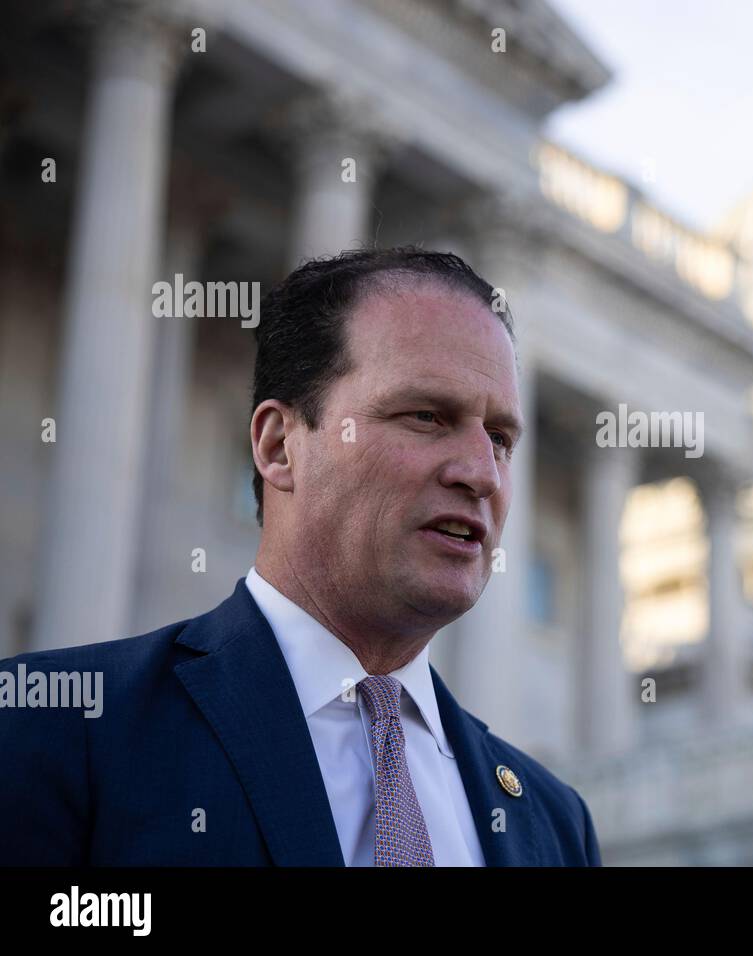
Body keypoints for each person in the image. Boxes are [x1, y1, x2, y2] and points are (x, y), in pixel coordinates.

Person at [0, 247, 601, 866]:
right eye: (425, 416)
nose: (482, 474)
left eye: (499, 438)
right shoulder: (49, 726)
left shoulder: (555, 826)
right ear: (279, 446)